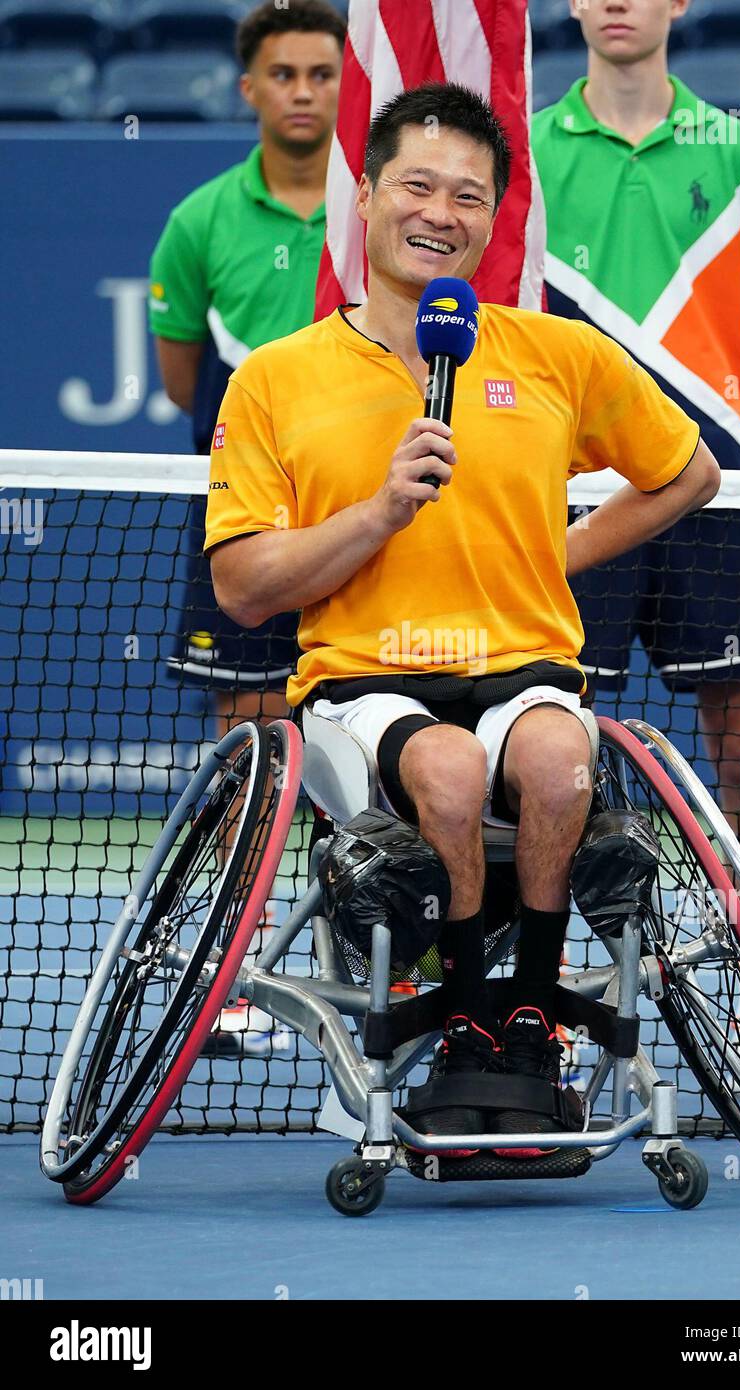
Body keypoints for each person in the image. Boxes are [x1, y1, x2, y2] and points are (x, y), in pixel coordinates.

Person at [204, 81, 720, 1152]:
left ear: (494, 218)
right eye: (417, 186)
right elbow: (243, 586)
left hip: (524, 670)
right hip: (362, 685)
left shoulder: (558, 355)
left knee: (559, 766)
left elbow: (688, 473)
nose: (440, 213)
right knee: (444, 770)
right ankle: (462, 1015)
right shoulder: (273, 381)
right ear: (365, 195)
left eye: (469, 196)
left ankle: (526, 1021)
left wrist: (554, 551)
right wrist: (379, 512)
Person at [532, 0, 740, 933]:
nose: (617, 2)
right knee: (545, 742)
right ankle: (544, 975)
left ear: (678, 2)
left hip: (713, 493)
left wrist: (698, 442)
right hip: (573, 491)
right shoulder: (525, 151)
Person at [148, 0, 346, 1052]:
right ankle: (234, 968)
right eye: (284, 73)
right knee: (253, 750)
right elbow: (185, 376)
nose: (303, 91)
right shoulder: (198, 221)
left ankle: (368, 962)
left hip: (361, 518)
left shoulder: (374, 211)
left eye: (322, 72)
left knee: (374, 738)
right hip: (248, 516)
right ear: (250, 88)